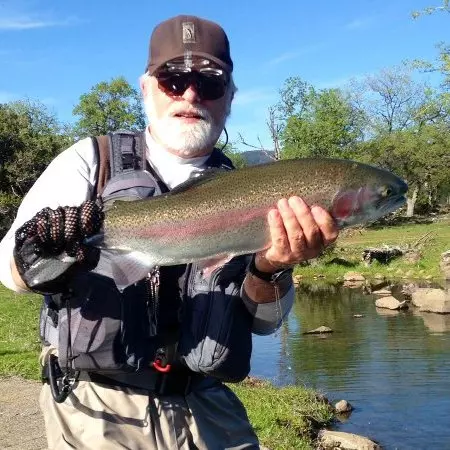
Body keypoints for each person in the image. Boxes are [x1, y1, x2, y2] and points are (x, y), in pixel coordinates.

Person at [0, 15, 339, 450]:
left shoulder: (251, 187)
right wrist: (43, 249)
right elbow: (9, 272)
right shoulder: (88, 161)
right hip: (96, 408)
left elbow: (266, 325)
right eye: (173, 80)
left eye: (211, 82)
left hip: (207, 403)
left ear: (230, 97)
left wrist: (271, 268)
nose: (192, 93)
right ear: (146, 89)